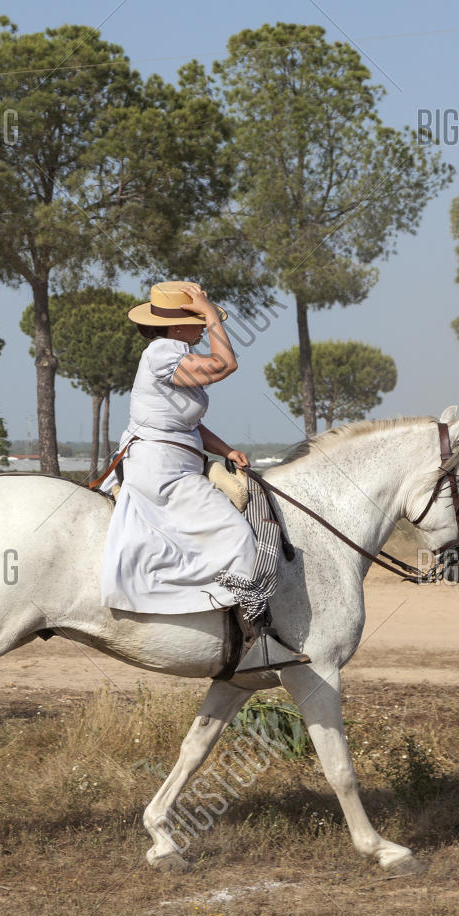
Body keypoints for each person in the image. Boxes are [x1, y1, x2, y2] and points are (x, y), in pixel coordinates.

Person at [100, 281, 304, 674]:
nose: (200, 327)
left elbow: (187, 422)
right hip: (164, 472)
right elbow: (225, 365)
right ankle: (253, 642)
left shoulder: (174, 352)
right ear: (177, 326)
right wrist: (211, 313)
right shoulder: (163, 354)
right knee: (238, 538)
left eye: (200, 320)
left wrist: (224, 449)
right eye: (194, 320)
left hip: (178, 460)